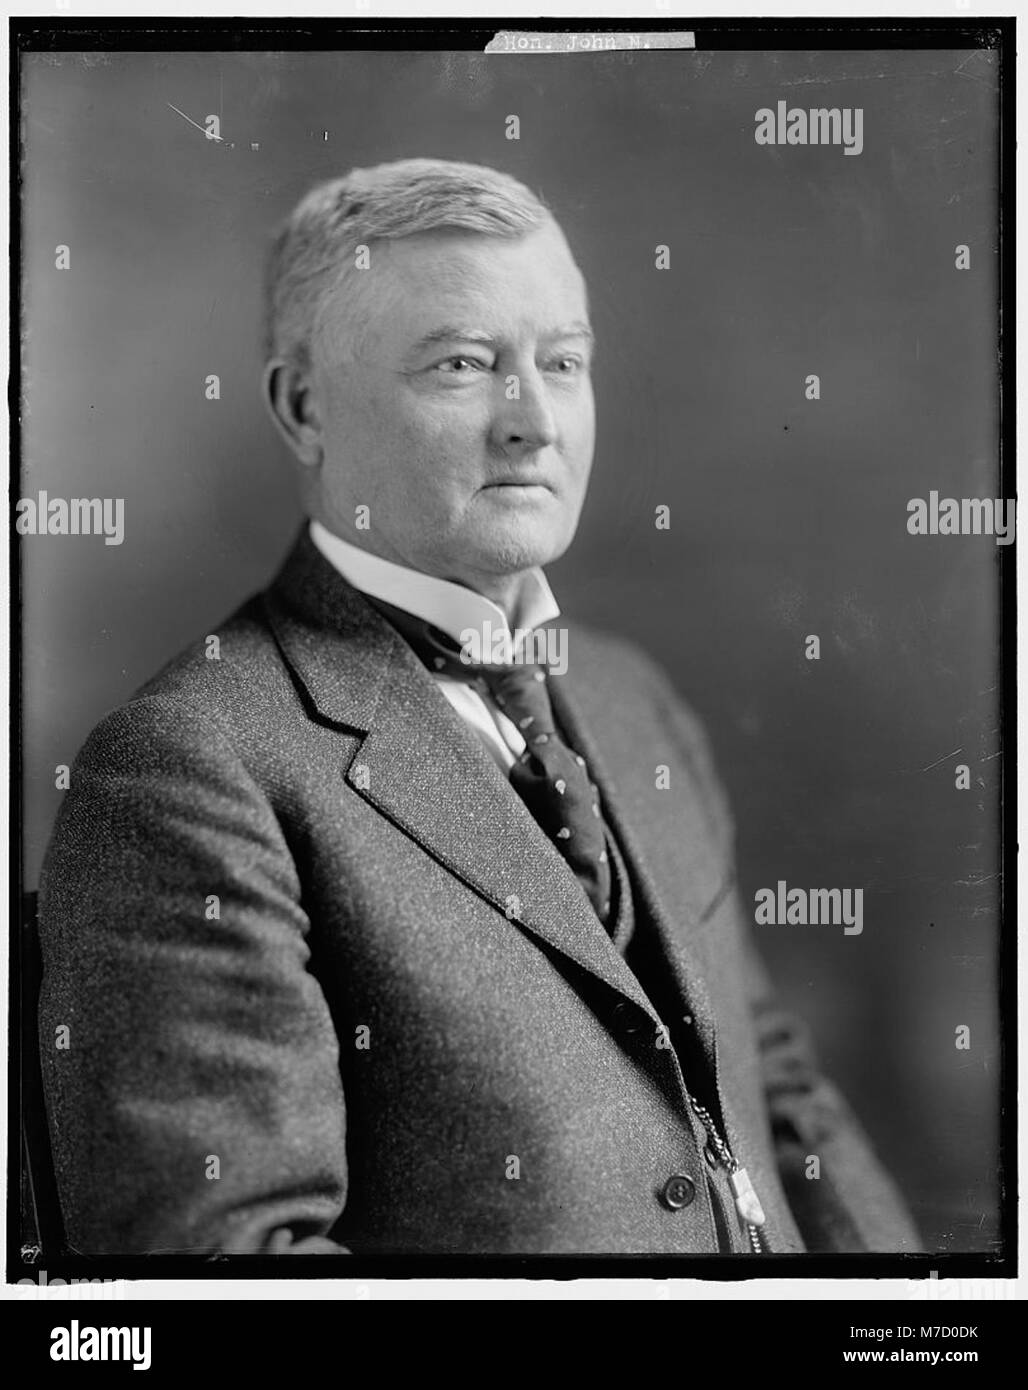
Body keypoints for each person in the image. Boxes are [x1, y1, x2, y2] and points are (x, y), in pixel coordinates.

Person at [37, 158, 920, 1256]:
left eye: (562, 361)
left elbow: (776, 1100)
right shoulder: (186, 769)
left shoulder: (629, 699)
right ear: (302, 407)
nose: (533, 421)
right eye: (462, 365)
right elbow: (225, 1260)